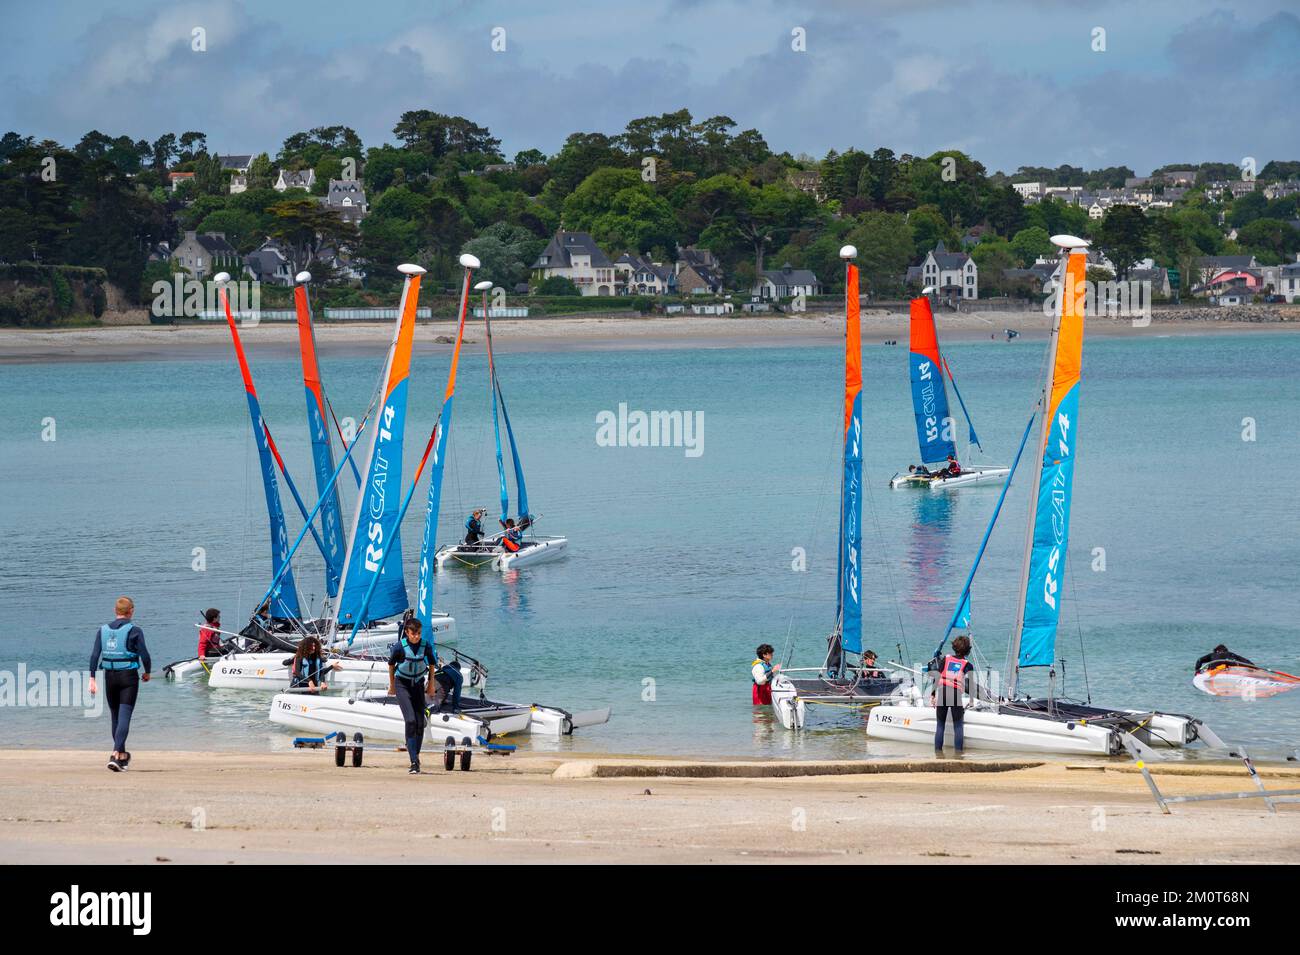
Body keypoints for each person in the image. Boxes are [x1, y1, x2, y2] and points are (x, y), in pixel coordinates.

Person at [88, 597, 152, 772]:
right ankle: (115, 754)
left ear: (115, 610)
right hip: (128, 678)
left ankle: (122, 758)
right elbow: (144, 655)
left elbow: (94, 656)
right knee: (124, 716)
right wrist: (147, 672)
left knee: (115, 717)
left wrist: (92, 678)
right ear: (131, 611)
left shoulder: (102, 630)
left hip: (110, 677)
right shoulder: (135, 630)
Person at [388, 618, 437, 774]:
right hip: (402, 685)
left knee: (420, 722)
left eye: (419, 633)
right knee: (410, 721)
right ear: (407, 633)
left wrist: (430, 685)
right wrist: (392, 685)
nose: (416, 636)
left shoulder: (425, 646)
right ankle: (414, 762)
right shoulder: (399, 648)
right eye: (413, 633)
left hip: (417, 685)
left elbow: (431, 664)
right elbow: (391, 665)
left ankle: (416, 756)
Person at [931, 635, 974, 756]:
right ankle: (958, 756)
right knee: (958, 727)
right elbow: (970, 685)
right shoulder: (968, 665)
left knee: (940, 725)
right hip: (955, 694)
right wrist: (971, 700)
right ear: (967, 650)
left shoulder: (946, 658)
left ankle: (938, 755)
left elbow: (937, 676)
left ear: (954, 647)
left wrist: (932, 695)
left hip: (942, 691)